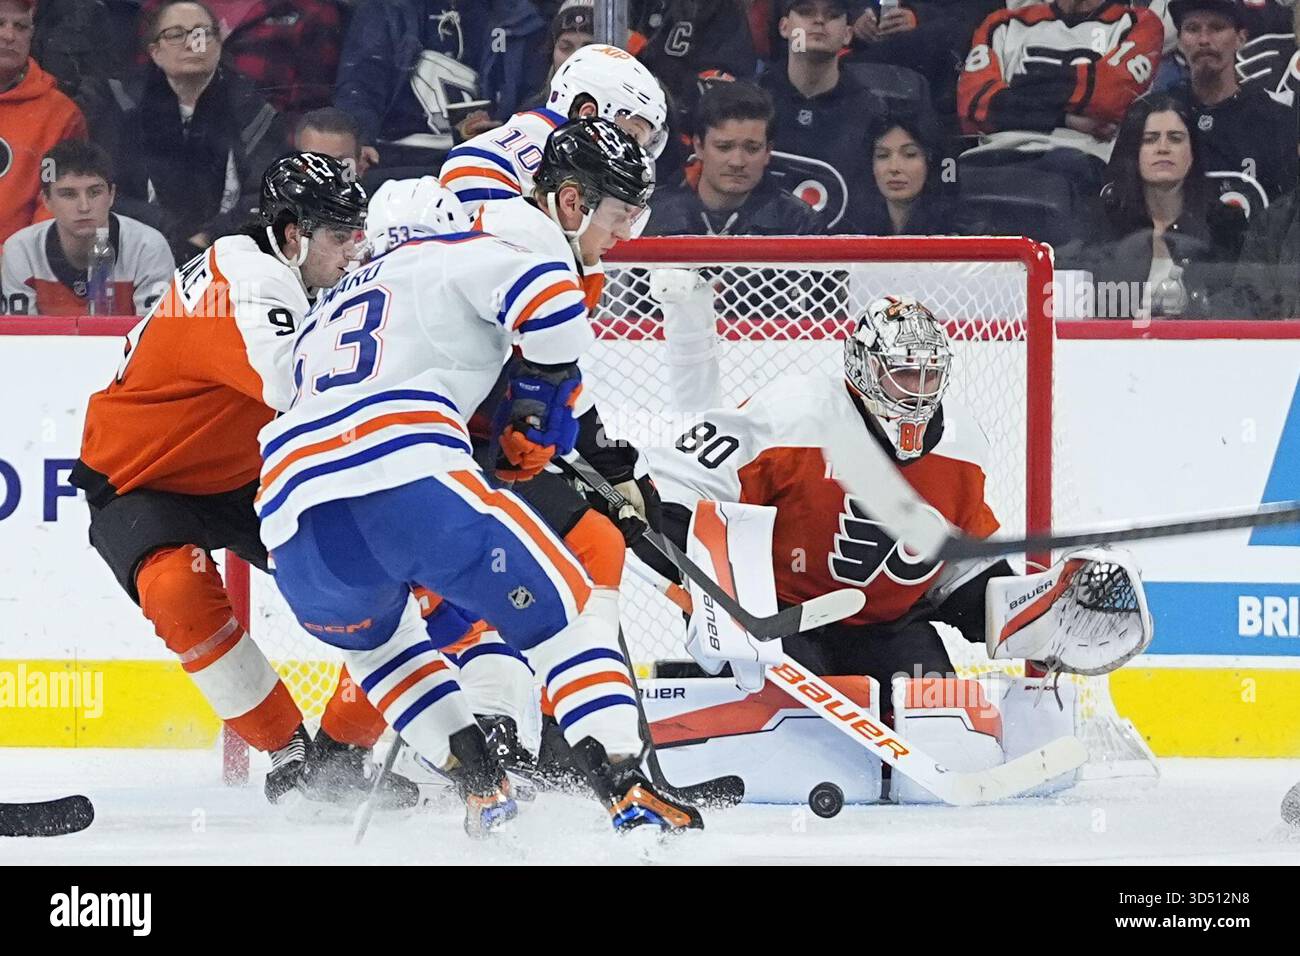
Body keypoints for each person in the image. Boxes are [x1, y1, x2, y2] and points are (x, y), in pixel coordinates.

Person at [256, 125, 702, 835]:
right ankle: (625, 781)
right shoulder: (476, 250)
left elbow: (284, 385)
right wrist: (536, 397)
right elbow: (552, 307)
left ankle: (480, 784)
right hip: (402, 475)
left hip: (289, 521)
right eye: (621, 216)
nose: (624, 235)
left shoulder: (332, 304)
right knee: (566, 608)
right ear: (568, 201)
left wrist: (506, 414)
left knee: (384, 647)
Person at [638, 294, 1151, 767]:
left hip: (889, 627)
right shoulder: (793, 412)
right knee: (804, 742)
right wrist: (694, 568)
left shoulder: (962, 443)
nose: (918, 391)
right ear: (863, 368)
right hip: (779, 623)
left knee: (944, 734)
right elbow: (680, 483)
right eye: (903, 374)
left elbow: (959, 564)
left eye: (929, 375)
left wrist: (1031, 613)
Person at [67, 153, 419, 810]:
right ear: (291, 235)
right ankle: (290, 751)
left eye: (357, 232)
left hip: (253, 469)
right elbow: (307, 394)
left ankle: (341, 760)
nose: (354, 251)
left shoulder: (290, 266)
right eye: (338, 237)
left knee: (402, 572)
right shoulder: (249, 284)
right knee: (177, 587)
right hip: (145, 474)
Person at [100, 0, 288, 263]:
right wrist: (168, 232)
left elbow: (268, 195)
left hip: (233, 258)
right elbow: (107, 194)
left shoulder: (253, 111)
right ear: (155, 51)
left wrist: (211, 236)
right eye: (176, 35)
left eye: (202, 33)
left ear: (219, 45)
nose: (193, 43)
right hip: (139, 255)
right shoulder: (123, 105)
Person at [957, 0, 1164, 230]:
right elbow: (974, 104)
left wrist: (1018, 89)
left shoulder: (1138, 22)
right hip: (989, 158)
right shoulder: (1001, 23)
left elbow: (1106, 99)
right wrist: (1065, 118)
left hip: (1080, 161)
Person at [440, 42, 667, 224]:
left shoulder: (482, 155)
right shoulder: (487, 164)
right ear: (587, 115)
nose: (633, 156)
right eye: (632, 136)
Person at [1068, 93, 1246, 320]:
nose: (1163, 148)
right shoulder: (1100, 219)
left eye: (1175, 138)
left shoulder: (1226, 225)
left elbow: (1241, 306)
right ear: (1133, 152)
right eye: (1150, 139)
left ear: (1192, 153)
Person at [1, 140, 172, 315]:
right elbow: (21, 338)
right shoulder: (21, 249)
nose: (84, 207)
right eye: (68, 194)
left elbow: (156, 336)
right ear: (47, 200)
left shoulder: (148, 248)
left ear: (111, 195)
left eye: (95, 192)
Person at [760, 0, 886, 226]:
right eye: (806, 12)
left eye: (833, 14)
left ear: (847, 34)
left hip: (844, 253)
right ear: (784, 27)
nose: (819, 20)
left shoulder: (875, 112)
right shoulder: (751, 101)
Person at [644, 81, 824, 236]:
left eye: (752, 148)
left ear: (768, 151)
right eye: (724, 147)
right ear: (699, 146)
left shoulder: (800, 225)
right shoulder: (648, 217)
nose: (737, 162)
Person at [333, 0, 491, 171]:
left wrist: (506, 126)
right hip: (394, 157)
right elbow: (360, 85)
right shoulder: (383, 9)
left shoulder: (505, 14)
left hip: (483, 155)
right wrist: (360, 142)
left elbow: (519, 93)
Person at [1169, 0, 1298, 210]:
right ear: (1180, 43)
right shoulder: (1157, 114)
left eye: (1217, 28)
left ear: (1241, 39)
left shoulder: (1275, 119)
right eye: (1192, 29)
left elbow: (1289, 210)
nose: (1203, 39)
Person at [134, 0, 342, 117]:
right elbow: (137, 94)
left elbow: (310, 119)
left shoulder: (312, 11)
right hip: (162, 159)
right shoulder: (158, 9)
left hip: (264, 163)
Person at [0, 0, 87, 245]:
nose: (9, 35)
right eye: (0, 23)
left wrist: (17, 262)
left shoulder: (60, 114)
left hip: (16, 272)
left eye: (21, 26)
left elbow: (56, 201)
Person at [842, 113, 959, 235]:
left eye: (910, 154)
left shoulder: (954, 230)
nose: (894, 168)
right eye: (882, 155)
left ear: (930, 161)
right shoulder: (852, 228)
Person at [293, 106, 375, 180]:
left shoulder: (383, 194)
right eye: (315, 162)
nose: (327, 173)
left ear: (361, 166)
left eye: (339, 163)